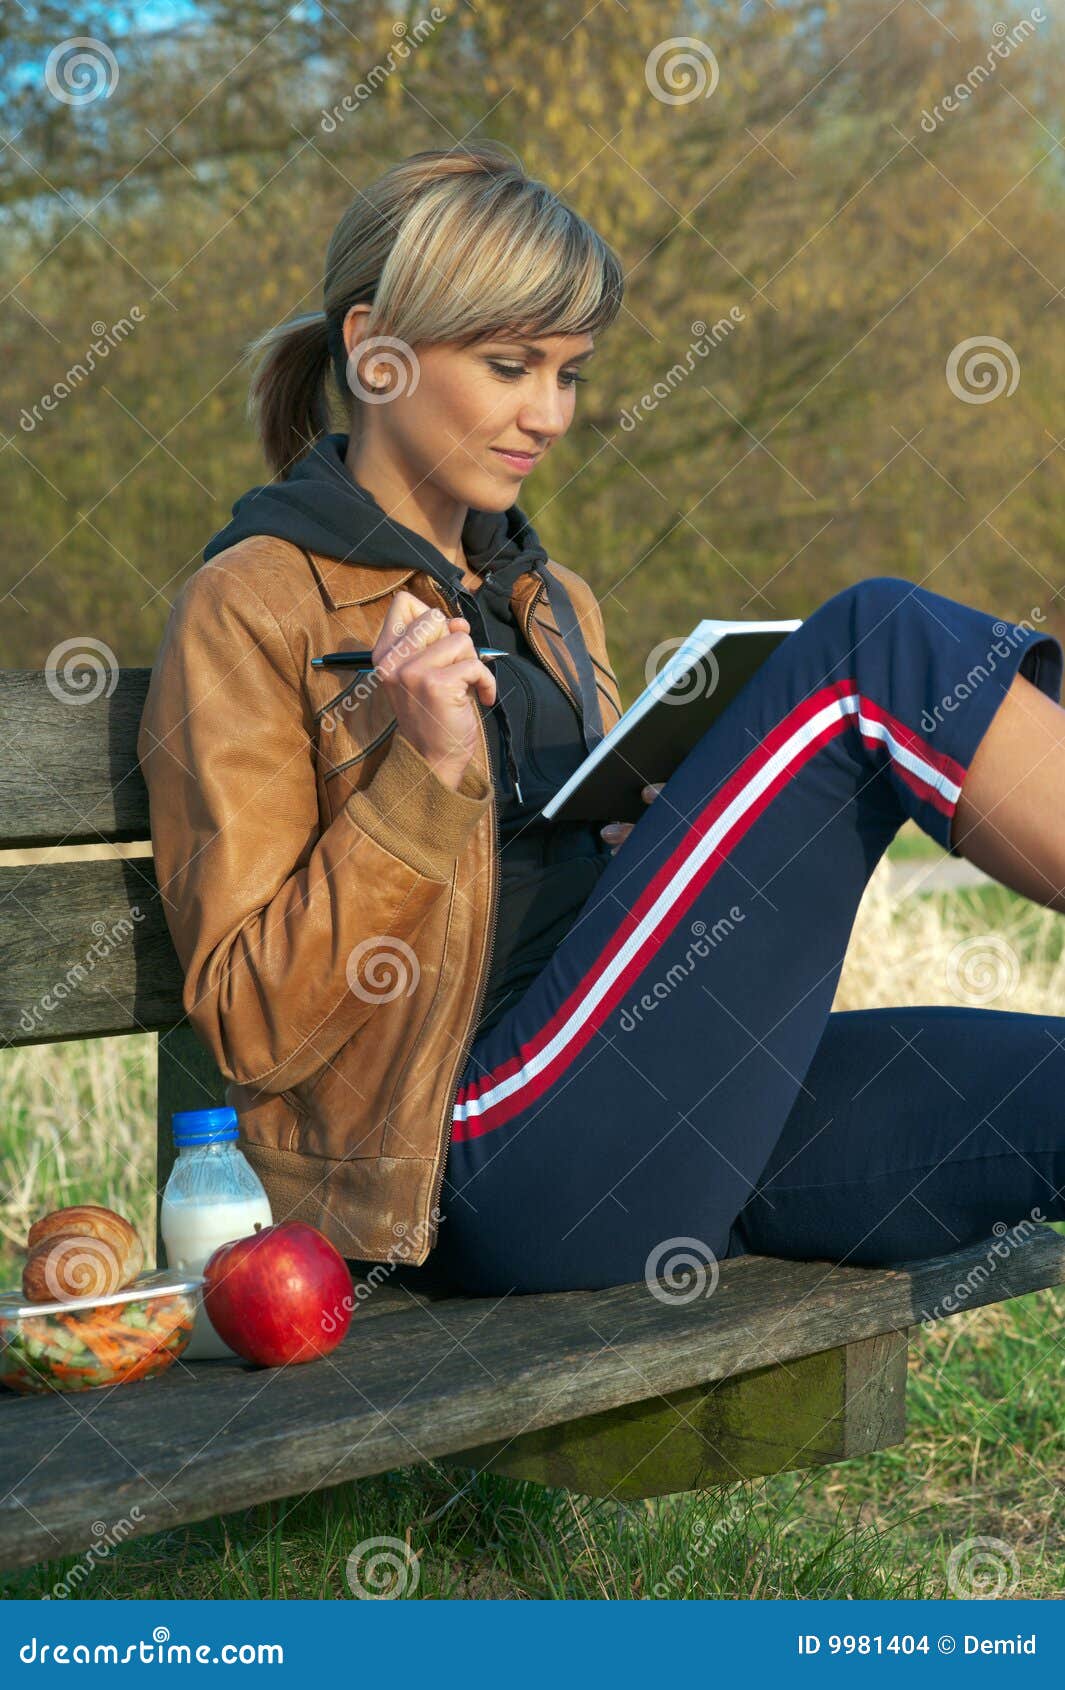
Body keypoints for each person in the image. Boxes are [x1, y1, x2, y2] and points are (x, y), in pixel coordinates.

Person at [138, 142, 1065, 1299]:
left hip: (646, 1107)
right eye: (511, 364)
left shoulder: (552, 599)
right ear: (374, 352)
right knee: (872, 655)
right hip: (473, 1163)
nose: (551, 413)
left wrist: (655, 837)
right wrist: (422, 780)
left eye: (569, 373)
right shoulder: (252, 604)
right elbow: (249, 1020)